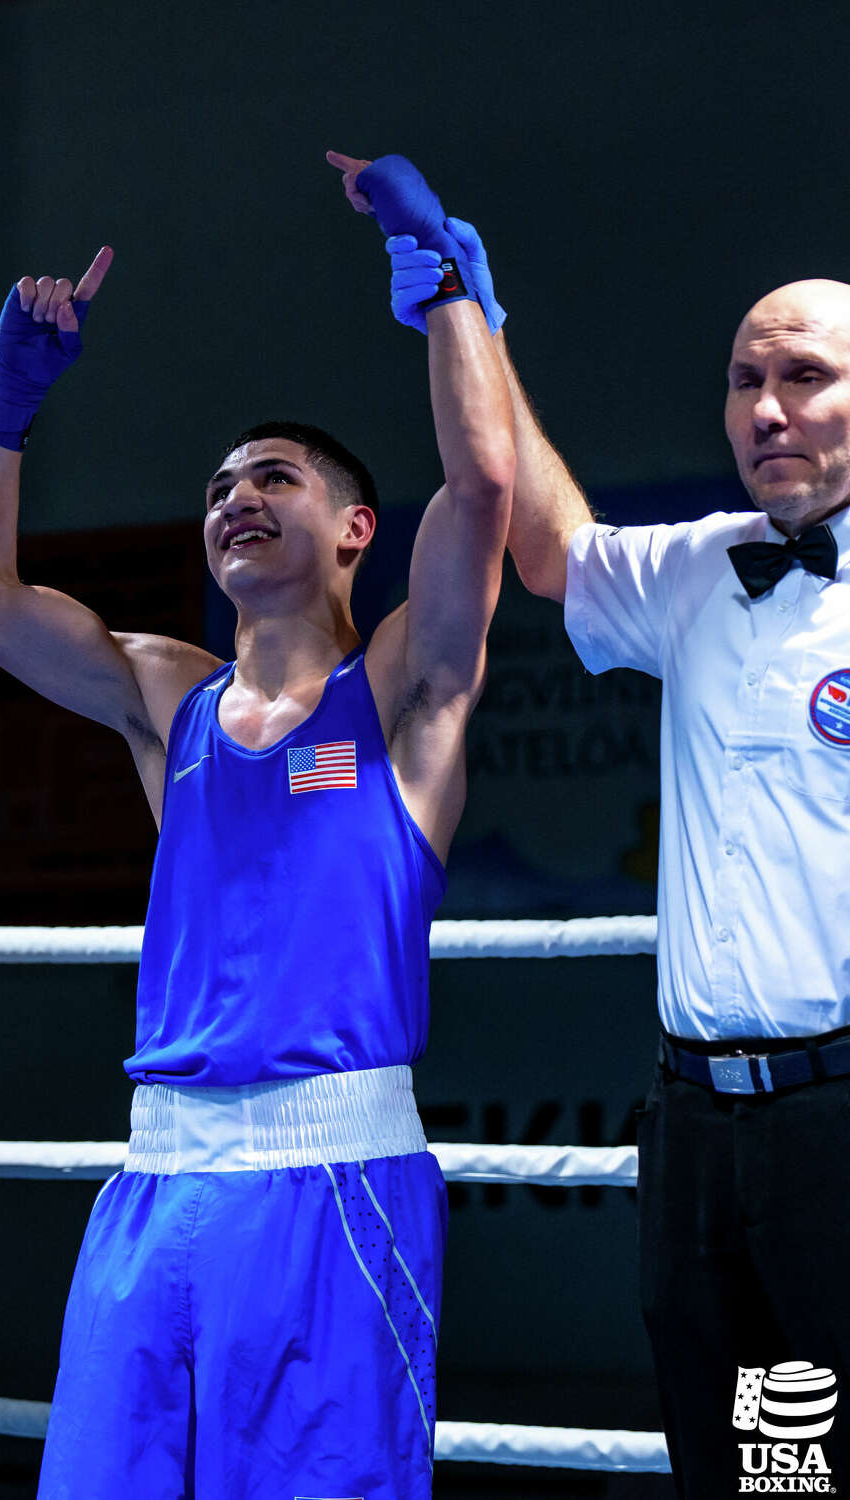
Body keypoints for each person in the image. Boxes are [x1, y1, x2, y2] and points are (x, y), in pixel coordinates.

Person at [0, 151, 514, 1498]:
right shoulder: (162, 699)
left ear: (355, 527)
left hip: (333, 1183)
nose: (236, 496)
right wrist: (7, 408)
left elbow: (483, 490)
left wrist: (445, 296)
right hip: (158, 1186)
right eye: (219, 488)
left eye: (275, 479)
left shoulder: (405, 690)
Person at [376, 173, 848, 1495]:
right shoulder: (702, 568)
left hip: (842, 1121)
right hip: (699, 1128)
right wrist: (473, 318)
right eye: (745, 381)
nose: (766, 409)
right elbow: (549, 550)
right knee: (746, 1463)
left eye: (804, 377)